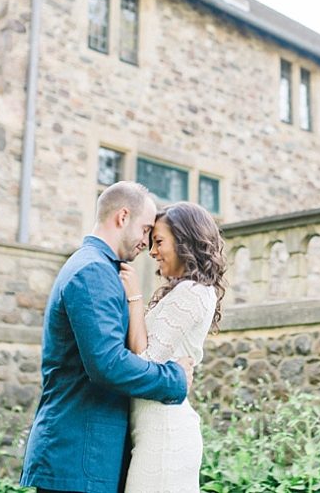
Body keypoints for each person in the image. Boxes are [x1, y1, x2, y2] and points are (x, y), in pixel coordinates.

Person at [21, 182, 196, 493]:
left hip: (86, 457)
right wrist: (175, 378)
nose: (146, 242)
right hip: (78, 457)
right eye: (144, 230)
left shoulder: (100, 268)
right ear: (122, 217)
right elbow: (108, 364)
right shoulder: (92, 271)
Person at [118, 202, 227, 493]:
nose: (152, 251)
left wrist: (135, 299)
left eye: (159, 241)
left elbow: (145, 361)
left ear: (185, 242)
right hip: (154, 431)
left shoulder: (192, 294)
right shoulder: (184, 290)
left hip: (165, 436)